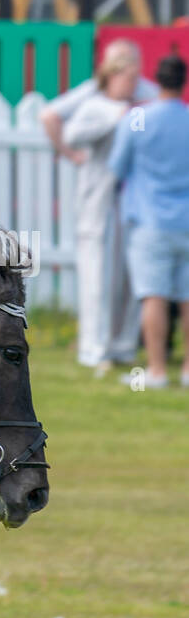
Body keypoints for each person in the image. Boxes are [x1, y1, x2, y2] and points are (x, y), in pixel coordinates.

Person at [108, 53, 189, 389]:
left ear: (157, 79)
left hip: (150, 220)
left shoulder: (138, 118)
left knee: (153, 296)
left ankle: (156, 370)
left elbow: (117, 167)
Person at [61, 48, 142, 373]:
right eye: (128, 77)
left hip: (130, 202)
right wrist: (114, 119)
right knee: (97, 278)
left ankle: (123, 345)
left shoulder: (137, 106)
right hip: (97, 203)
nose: (132, 84)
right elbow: (72, 135)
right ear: (112, 76)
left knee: (127, 276)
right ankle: (95, 349)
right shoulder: (96, 106)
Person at [40, 38, 158, 165]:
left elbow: (140, 135)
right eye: (121, 63)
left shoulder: (146, 96)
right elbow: (69, 133)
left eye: (131, 62)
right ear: (111, 71)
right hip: (98, 175)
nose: (129, 69)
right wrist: (71, 154)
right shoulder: (93, 102)